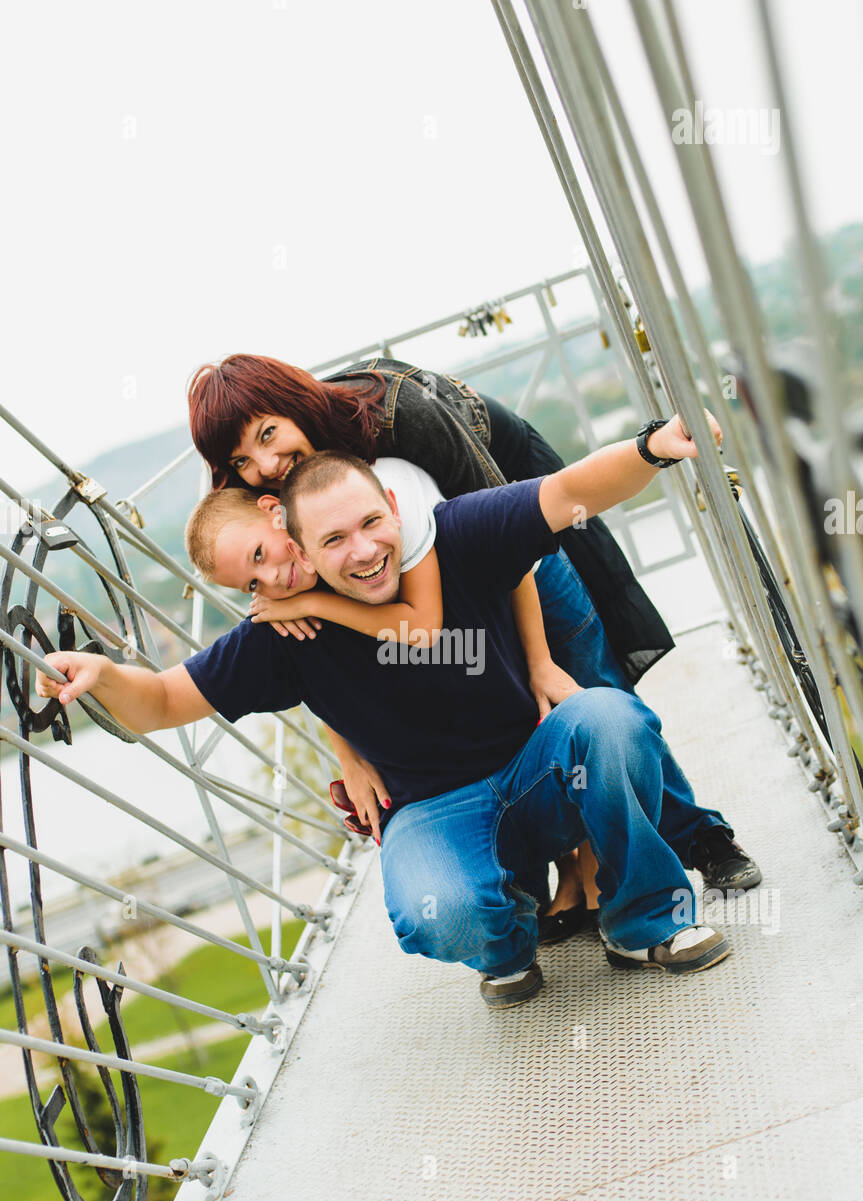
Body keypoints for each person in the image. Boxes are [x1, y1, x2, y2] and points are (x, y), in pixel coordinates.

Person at [36, 414, 732, 1010]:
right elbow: (161, 699)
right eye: (331, 543)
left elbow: (570, 491)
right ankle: (506, 939)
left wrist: (654, 445)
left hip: (538, 769)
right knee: (445, 908)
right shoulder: (280, 634)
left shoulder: (448, 537)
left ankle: (645, 921)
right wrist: (101, 675)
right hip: (437, 812)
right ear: (301, 540)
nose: (362, 551)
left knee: (610, 720)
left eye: (371, 524)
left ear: (394, 509)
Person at [185, 354, 762, 917]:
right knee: (515, 715)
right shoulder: (286, 531)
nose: (264, 463)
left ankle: (700, 839)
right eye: (241, 460)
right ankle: (572, 869)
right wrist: (349, 753)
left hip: (516, 514)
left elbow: (506, 549)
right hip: (429, 577)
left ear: (295, 404)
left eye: (268, 433)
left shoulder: (395, 416)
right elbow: (325, 662)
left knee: (588, 692)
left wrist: (537, 660)